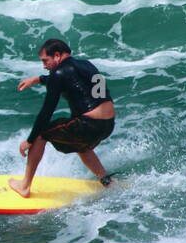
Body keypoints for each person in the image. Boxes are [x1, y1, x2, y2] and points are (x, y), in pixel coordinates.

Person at [8, 39, 116, 198]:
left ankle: (24, 186)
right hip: (107, 124)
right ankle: (106, 181)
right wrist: (39, 79)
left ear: (57, 55)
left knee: (41, 133)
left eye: (45, 60)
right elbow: (69, 79)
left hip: (88, 124)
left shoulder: (58, 74)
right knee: (80, 145)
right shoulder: (86, 65)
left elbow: (46, 112)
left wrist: (30, 141)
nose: (44, 65)